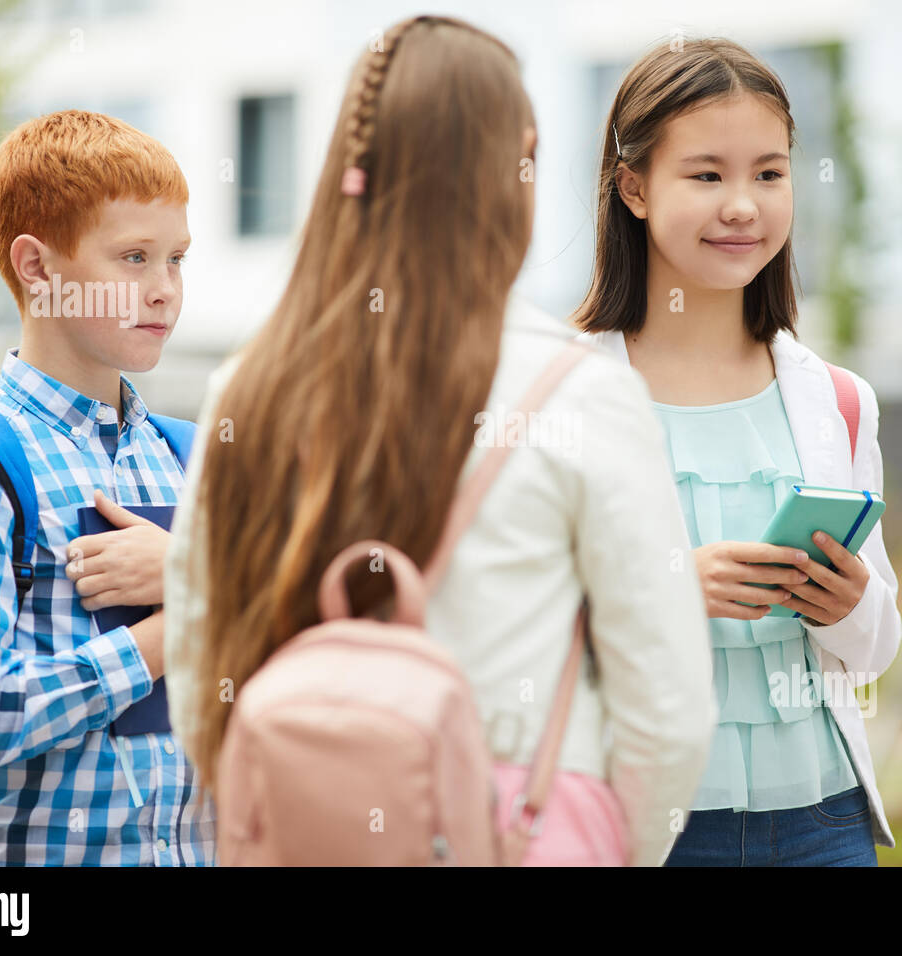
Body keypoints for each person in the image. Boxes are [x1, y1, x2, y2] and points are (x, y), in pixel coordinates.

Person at [162, 15, 716, 867]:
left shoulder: (249, 386)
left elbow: (202, 669)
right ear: (514, 166)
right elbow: (669, 711)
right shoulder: (580, 393)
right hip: (519, 832)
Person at [574, 38, 902, 866]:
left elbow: (878, 645)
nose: (744, 205)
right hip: (643, 826)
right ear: (634, 188)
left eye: (769, 172)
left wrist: (850, 602)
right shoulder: (564, 394)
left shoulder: (837, 399)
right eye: (707, 174)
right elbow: (509, 623)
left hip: (825, 822)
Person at [0, 110, 212, 865]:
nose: (164, 289)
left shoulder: (188, 458)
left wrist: (200, 580)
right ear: (37, 268)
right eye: (133, 258)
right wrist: (167, 635)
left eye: (177, 259)